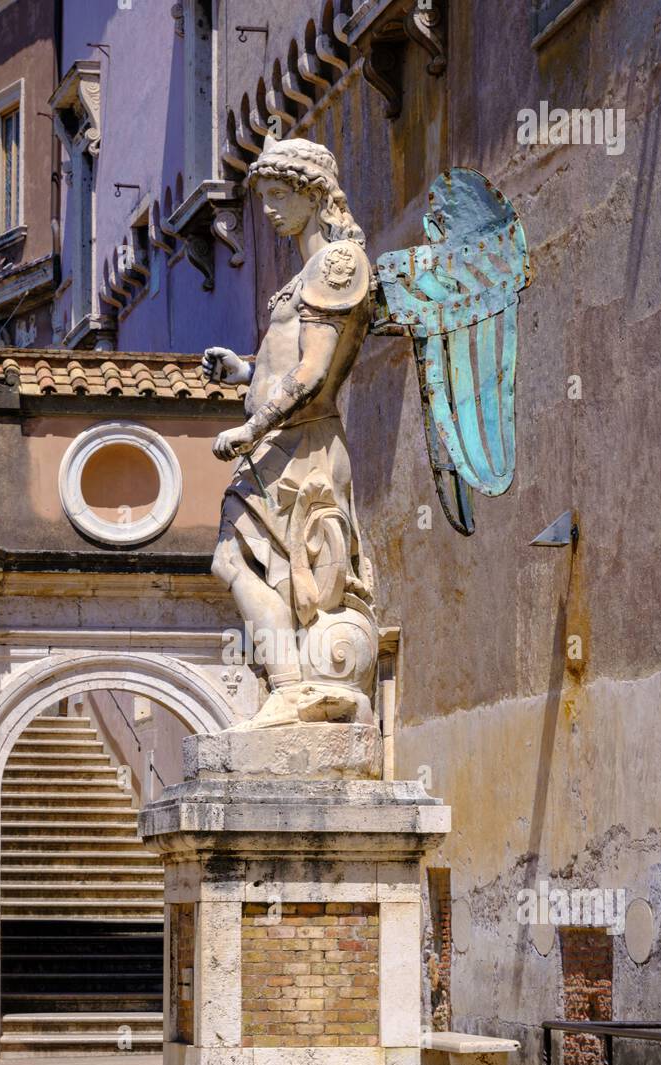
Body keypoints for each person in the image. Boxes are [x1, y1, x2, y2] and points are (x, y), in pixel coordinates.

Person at [202, 136, 378, 729]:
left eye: (281, 195)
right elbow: (285, 362)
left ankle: (294, 689)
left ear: (313, 194)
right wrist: (244, 373)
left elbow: (312, 371)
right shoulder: (308, 269)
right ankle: (292, 688)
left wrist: (251, 427)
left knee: (250, 565)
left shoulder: (338, 264)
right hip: (279, 445)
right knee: (244, 564)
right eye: (266, 197)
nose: (271, 209)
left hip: (300, 447)